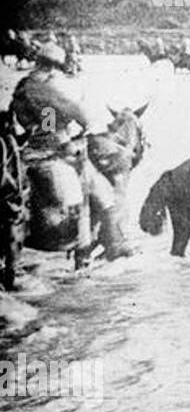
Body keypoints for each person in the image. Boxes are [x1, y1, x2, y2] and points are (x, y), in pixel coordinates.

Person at [10, 41, 135, 260]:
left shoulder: (23, 86)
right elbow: (81, 118)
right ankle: (110, 243)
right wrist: (76, 131)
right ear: (56, 66)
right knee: (102, 193)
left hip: (26, 152)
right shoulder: (50, 89)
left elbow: (25, 121)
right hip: (54, 154)